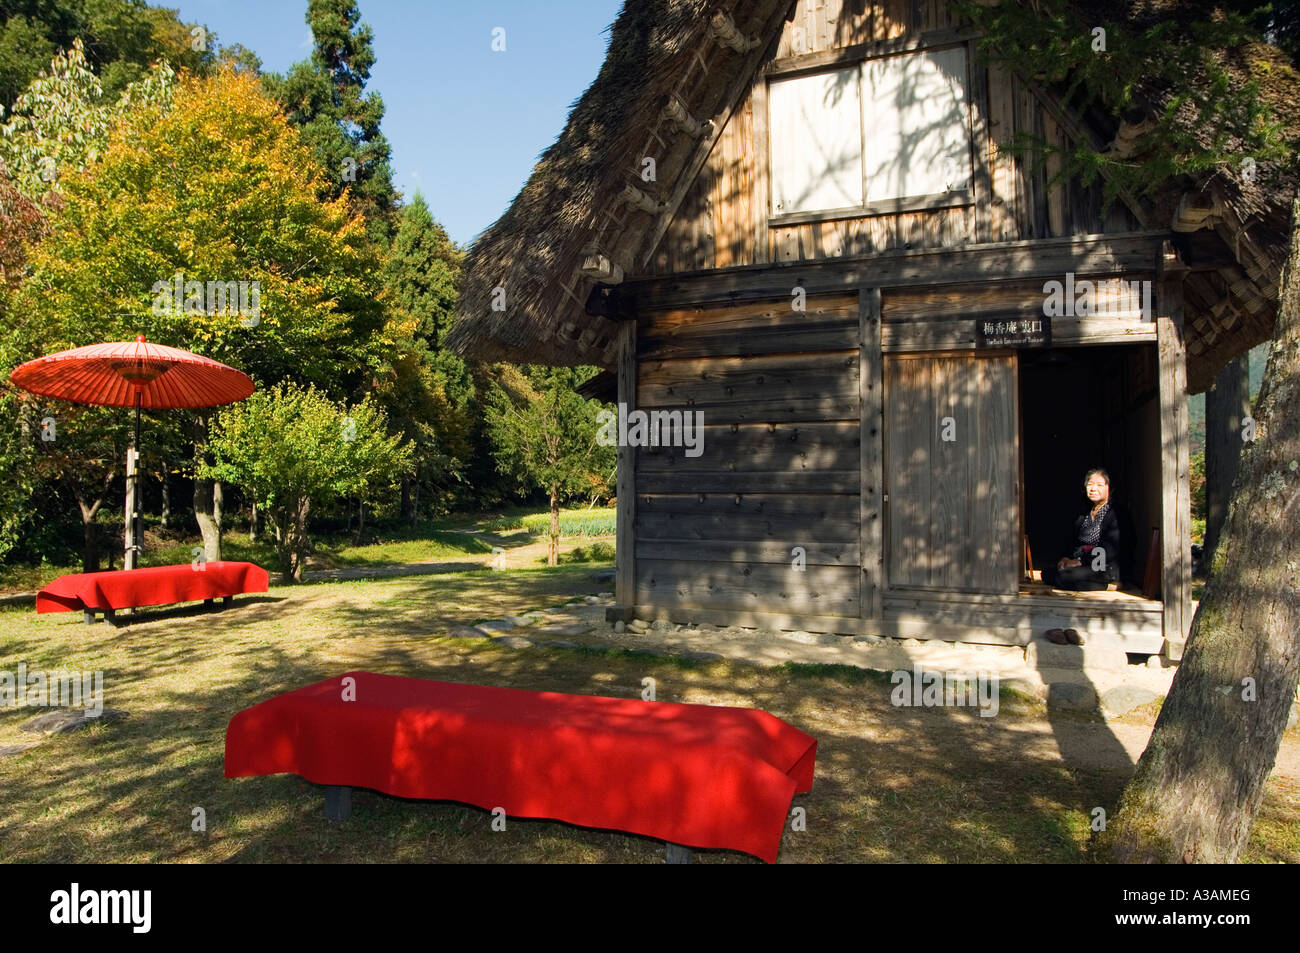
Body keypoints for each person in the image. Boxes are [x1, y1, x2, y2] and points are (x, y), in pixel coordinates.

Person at [1042, 468, 1120, 592]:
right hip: (1081, 563)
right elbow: (1073, 542)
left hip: (1101, 565)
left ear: (1110, 488)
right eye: (1090, 484)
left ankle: (1107, 585)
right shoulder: (1085, 514)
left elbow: (1110, 549)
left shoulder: (1115, 514)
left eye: (1099, 485)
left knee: (1065, 576)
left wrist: (1080, 561)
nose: (1093, 489)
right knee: (1047, 572)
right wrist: (1066, 558)